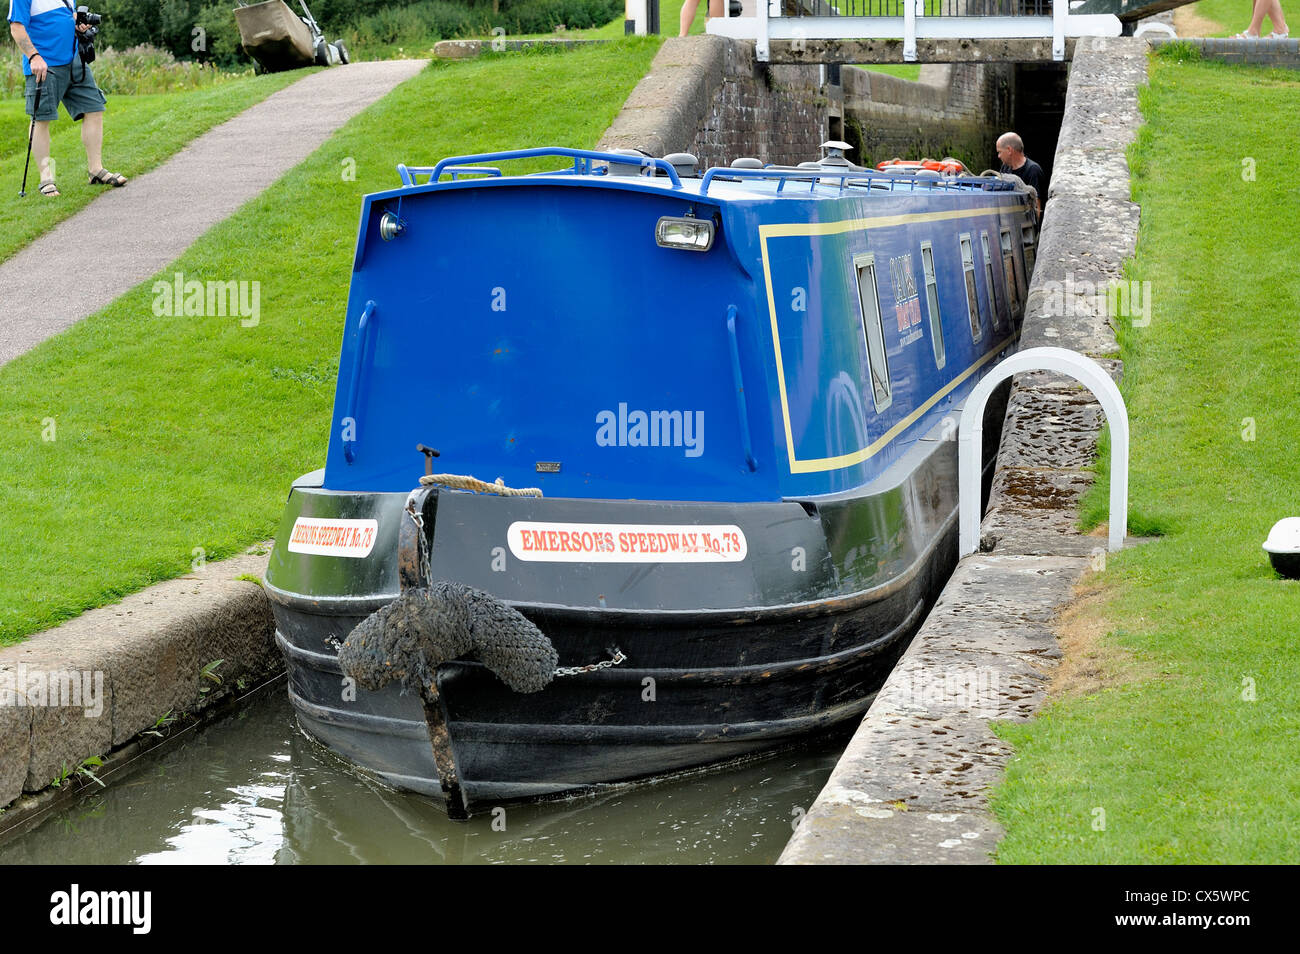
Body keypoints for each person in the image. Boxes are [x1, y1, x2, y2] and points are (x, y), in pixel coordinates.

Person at [8, 0, 127, 198]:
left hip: (74, 59)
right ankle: (46, 180)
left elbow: (65, 16)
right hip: (44, 64)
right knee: (41, 119)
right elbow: (16, 26)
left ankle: (96, 170)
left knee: (94, 108)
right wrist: (33, 56)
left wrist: (77, 24)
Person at [996, 132, 1045, 214]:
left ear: (1009, 150)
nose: (999, 156)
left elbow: (1037, 208)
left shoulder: (1033, 170)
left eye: (1000, 152)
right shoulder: (1005, 168)